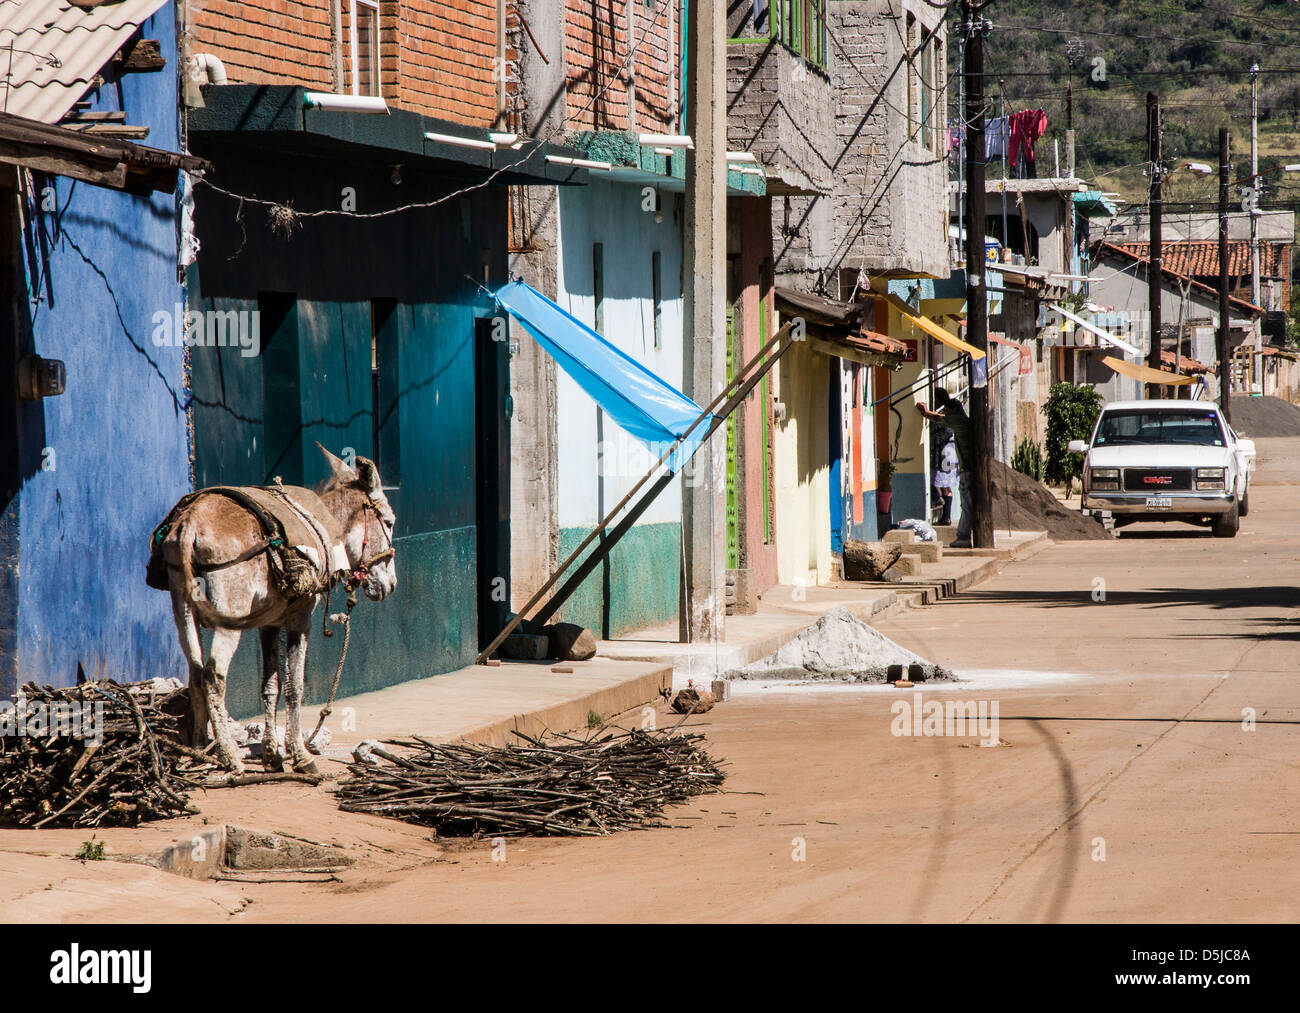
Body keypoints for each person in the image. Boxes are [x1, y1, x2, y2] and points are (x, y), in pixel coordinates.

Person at [916, 389, 974, 547]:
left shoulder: (958, 421)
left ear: (954, 411)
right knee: (968, 506)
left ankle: (963, 537)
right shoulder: (963, 421)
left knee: (967, 506)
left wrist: (925, 412)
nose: (946, 414)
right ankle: (965, 536)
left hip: (968, 470)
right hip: (968, 468)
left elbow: (937, 418)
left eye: (948, 412)